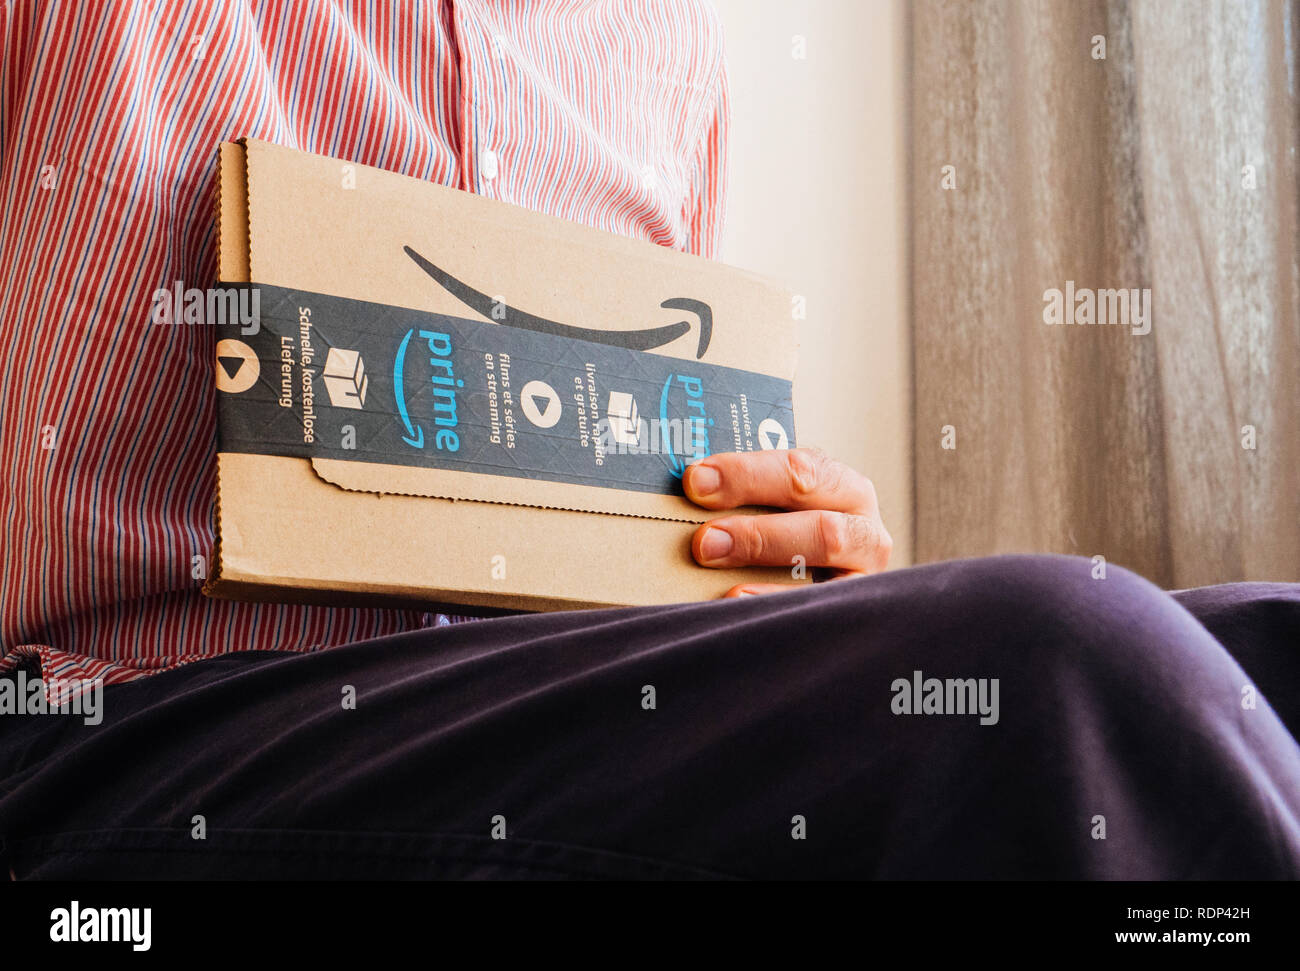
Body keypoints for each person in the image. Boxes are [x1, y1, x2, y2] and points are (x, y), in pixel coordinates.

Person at [2, 0, 1298, 879]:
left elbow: (640, 520)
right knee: (1063, 657)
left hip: (547, 692)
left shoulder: (663, 42)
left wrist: (778, 572)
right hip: (102, 720)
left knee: (1271, 649)